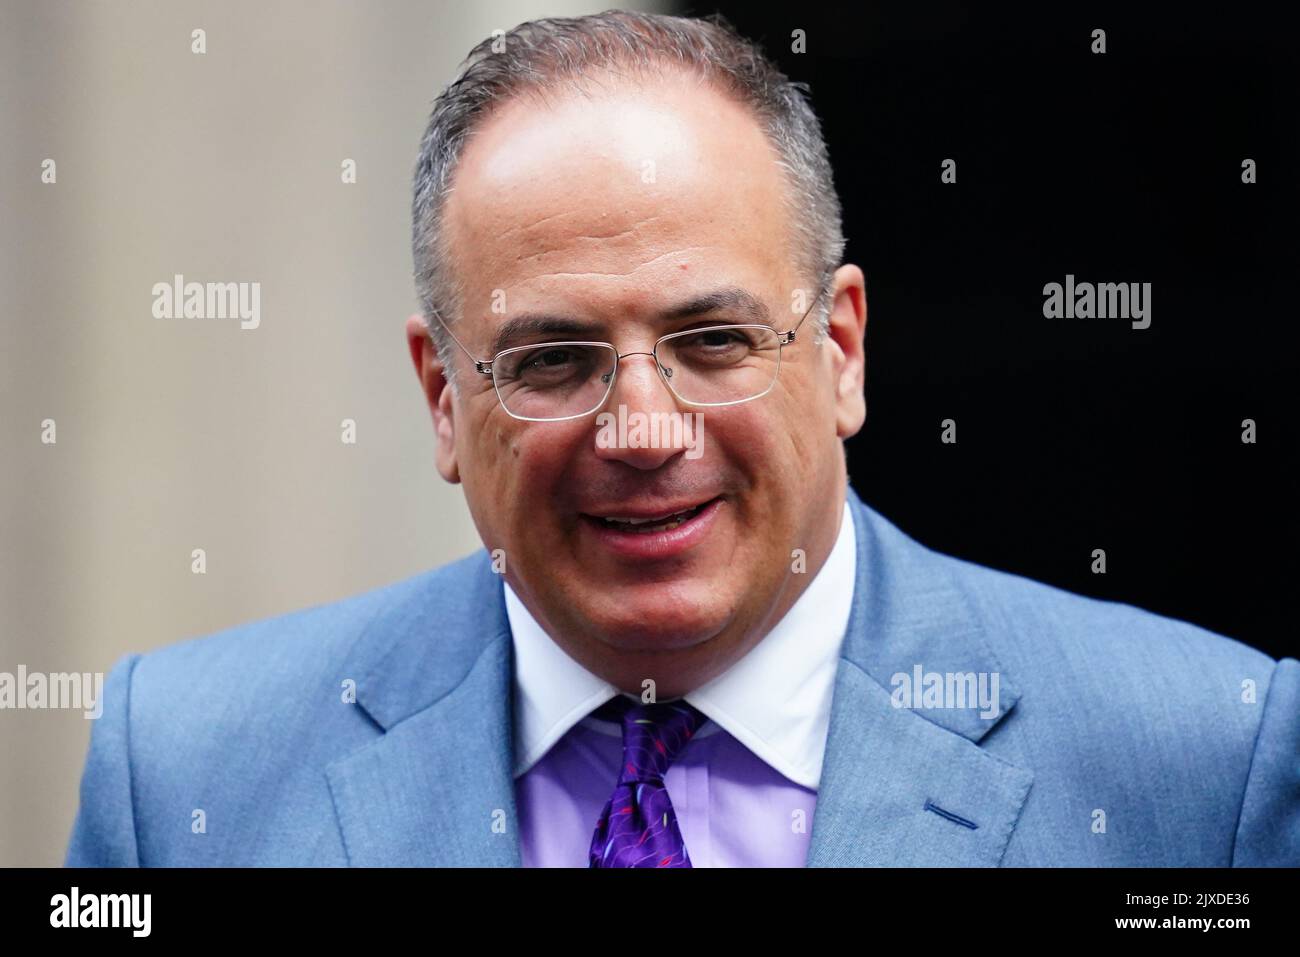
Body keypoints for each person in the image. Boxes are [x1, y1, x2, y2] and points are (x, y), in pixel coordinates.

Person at [67, 10, 1297, 868]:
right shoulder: (182, 773)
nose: (644, 431)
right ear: (443, 398)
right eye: (554, 360)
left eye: (712, 339)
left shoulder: (1202, 760)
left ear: (842, 350)